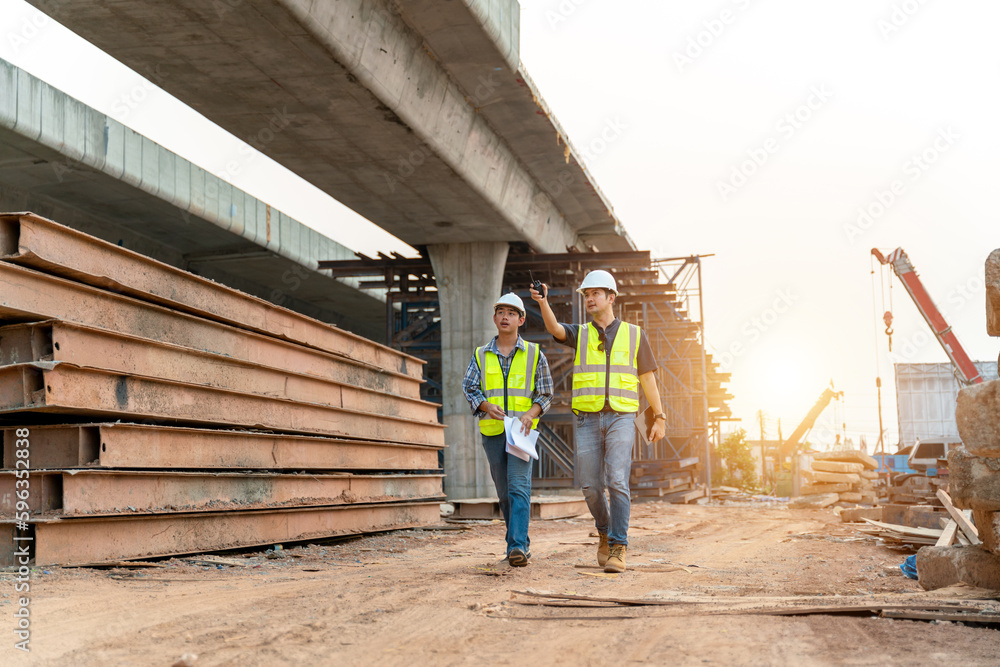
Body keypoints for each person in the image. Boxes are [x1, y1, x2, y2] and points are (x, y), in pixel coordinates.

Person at [530, 270, 665, 573]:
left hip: (621, 417)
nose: (589, 299)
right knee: (590, 486)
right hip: (588, 419)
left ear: (611, 297)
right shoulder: (581, 333)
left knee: (617, 479)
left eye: (595, 294)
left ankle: (618, 546)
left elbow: (648, 378)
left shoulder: (634, 334)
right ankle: (603, 530)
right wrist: (543, 302)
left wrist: (660, 416)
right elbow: (554, 327)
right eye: (586, 295)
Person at [462, 292, 553, 567]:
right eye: (501, 312)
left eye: (511, 313)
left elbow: (546, 393)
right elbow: (469, 387)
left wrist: (531, 413)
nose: (505, 317)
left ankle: (517, 547)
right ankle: (518, 544)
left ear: (521, 319)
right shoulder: (480, 354)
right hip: (492, 432)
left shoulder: (535, 354)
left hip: (522, 434)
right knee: (504, 492)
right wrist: (486, 406)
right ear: (494, 318)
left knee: (519, 488)